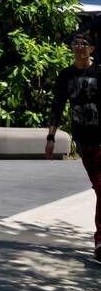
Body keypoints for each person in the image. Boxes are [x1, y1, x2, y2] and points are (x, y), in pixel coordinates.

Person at [46, 30, 101, 262]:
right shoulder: (66, 76)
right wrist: (51, 137)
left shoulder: (99, 72)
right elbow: (58, 106)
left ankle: (100, 241)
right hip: (83, 140)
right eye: (75, 44)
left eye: (84, 44)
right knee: (100, 187)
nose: (79, 47)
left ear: (92, 49)